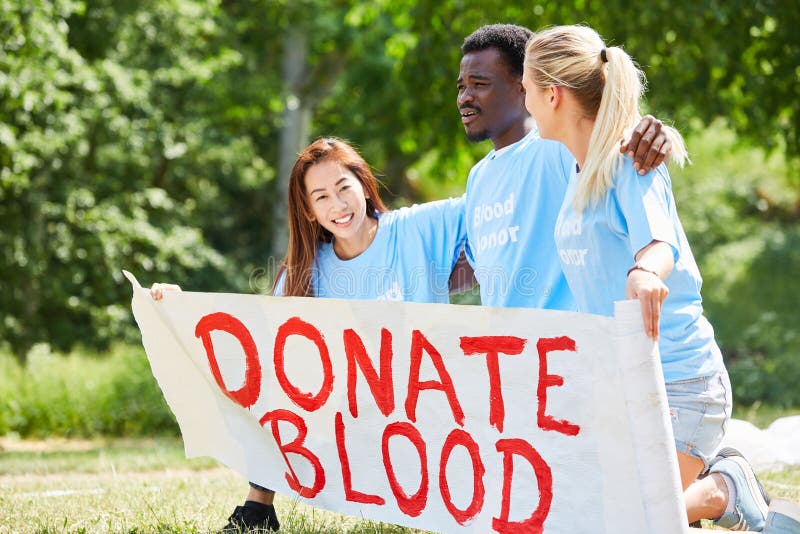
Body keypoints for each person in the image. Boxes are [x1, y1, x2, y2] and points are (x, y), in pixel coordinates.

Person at [521, 24, 771, 530]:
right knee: (577, 511)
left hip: (679, 383)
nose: (524, 102)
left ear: (552, 95)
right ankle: (697, 493)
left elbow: (659, 243)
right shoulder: (575, 169)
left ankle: (722, 489)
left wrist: (645, 273)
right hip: (618, 383)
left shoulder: (629, 162)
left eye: (525, 88)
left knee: (626, 520)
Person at [151, 137, 467, 532]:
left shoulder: (418, 227)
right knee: (274, 375)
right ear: (309, 210)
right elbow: (256, 341)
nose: (338, 205)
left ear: (364, 184)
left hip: (425, 415)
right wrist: (182, 307)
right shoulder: (305, 270)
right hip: (350, 423)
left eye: (344, 187)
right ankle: (258, 509)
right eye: (321, 197)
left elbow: (498, 213)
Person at [458, 24, 669, 310]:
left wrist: (655, 136)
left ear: (528, 88)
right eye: (461, 87)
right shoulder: (478, 177)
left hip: (584, 337)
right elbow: (482, 266)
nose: (464, 97)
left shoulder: (558, 149)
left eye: (479, 84)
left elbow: (611, 141)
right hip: (522, 342)